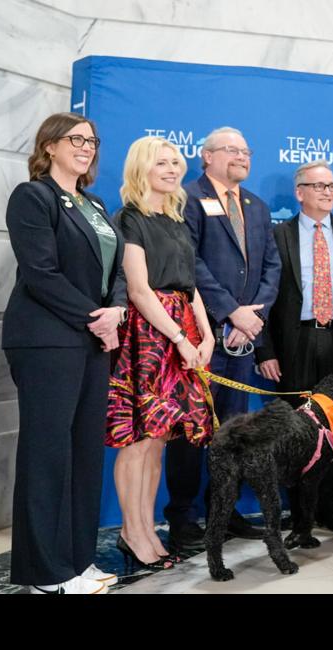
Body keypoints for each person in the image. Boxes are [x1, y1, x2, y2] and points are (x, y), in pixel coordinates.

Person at [1, 112, 128, 594]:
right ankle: (45, 574)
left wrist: (116, 310)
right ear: (49, 145)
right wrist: (96, 316)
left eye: (92, 140)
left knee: (83, 454)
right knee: (47, 455)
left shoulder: (95, 203)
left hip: (91, 340)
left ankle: (77, 561)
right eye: (76, 139)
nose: (86, 147)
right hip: (46, 341)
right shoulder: (32, 197)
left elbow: (116, 270)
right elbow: (41, 273)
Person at [163, 126, 281, 551]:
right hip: (200, 336)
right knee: (191, 429)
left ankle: (224, 511)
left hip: (243, 338)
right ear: (207, 157)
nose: (242, 157)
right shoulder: (186, 198)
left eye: (246, 151)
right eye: (232, 150)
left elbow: (272, 266)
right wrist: (231, 311)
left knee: (233, 431)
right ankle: (182, 517)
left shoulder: (256, 206)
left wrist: (253, 316)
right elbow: (190, 263)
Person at [107, 135, 217, 571]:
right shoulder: (129, 218)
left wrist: (205, 334)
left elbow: (190, 287)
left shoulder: (176, 219)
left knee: (158, 441)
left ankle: (147, 529)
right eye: (162, 163)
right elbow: (138, 290)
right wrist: (178, 338)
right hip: (149, 336)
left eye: (176, 163)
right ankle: (131, 531)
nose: (172, 170)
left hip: (181, 330)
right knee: (137, 440)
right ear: (142, 169)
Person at [260, 160, 333, 533]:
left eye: (332, 186)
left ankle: (331, 506)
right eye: (319, 186)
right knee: (297, 429)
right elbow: (263, 298)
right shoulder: (278, 235)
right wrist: (265, 351)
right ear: (300, 193)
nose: (328, 192)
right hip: (295, 341)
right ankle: (300, 511)